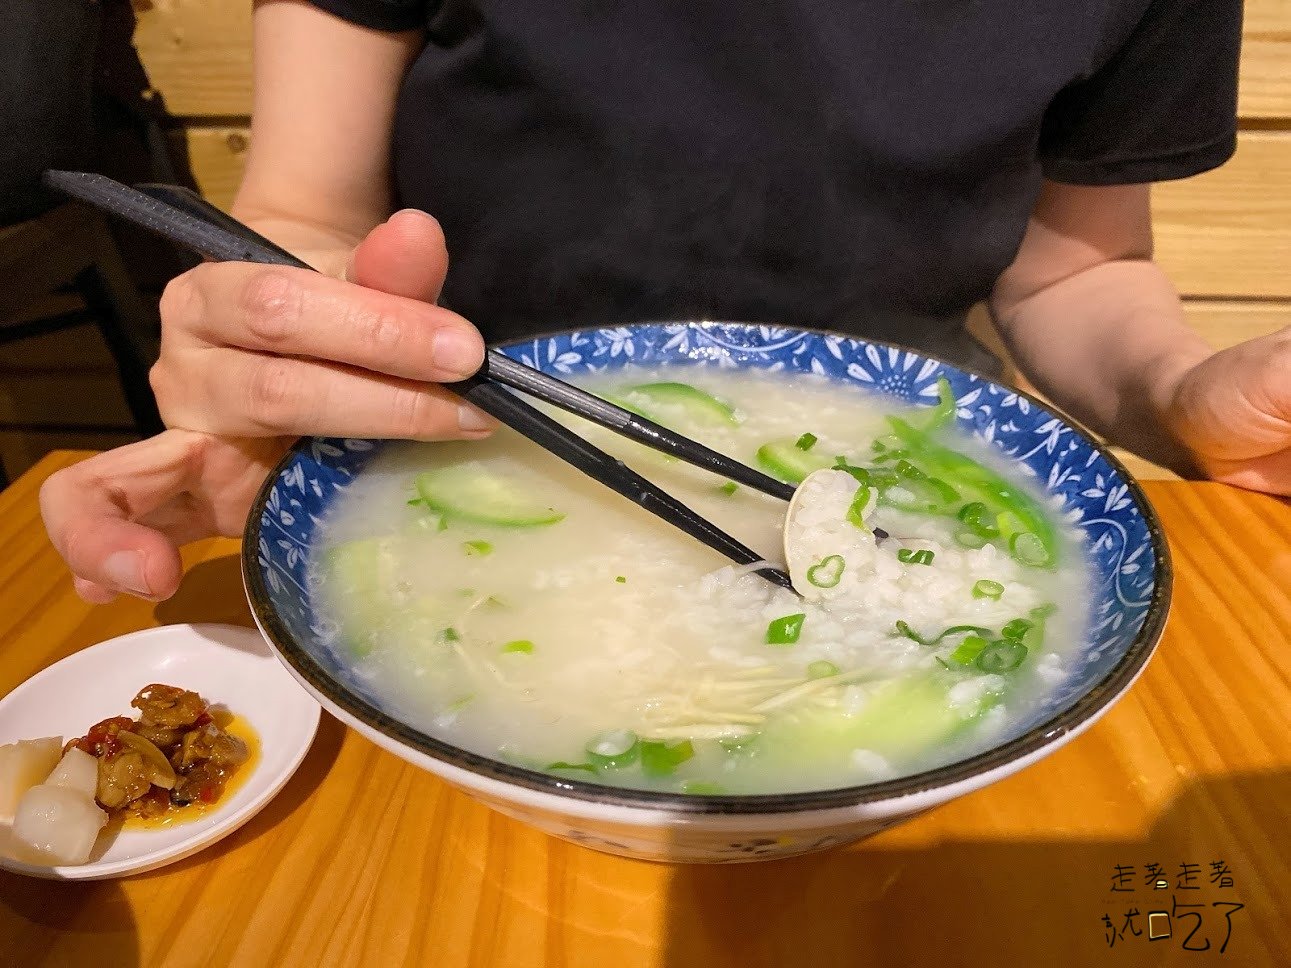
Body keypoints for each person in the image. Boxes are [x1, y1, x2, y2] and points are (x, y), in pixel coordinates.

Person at [40, 0, 1280, 604]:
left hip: (921, 490)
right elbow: (306, 211)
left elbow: (1076, 269)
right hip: (467, 454)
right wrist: (279, 353)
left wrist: (1180, 394)